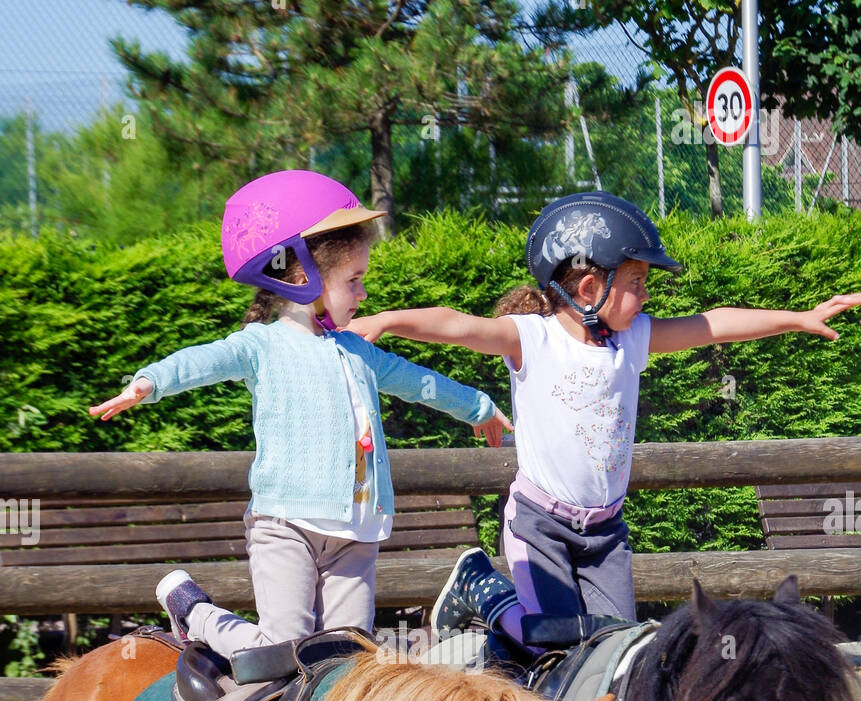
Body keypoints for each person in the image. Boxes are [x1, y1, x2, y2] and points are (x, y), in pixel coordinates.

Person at [356, 190, 861, 644]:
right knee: (549, 641)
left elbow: (714, 325)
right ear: (590, 287)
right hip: (541, 526)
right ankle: (484, 593)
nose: (647, 295)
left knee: (615, 646)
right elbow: (457, 325)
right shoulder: (533, 338)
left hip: (605, 533)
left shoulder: (633, 340)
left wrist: (797, 318)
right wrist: (386, 321)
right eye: (638, 281)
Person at [89, 169, 510, 653]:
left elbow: (421, 383)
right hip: (285, 523)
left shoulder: (358, 350)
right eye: (354, 280)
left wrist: (478, 407)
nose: (364, 293)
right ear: (300, 274)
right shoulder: (262, 346)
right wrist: (149, 382)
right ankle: (194, 612)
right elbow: (203, 360)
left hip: (356, 531)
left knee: (348, 657)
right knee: (281, 649)